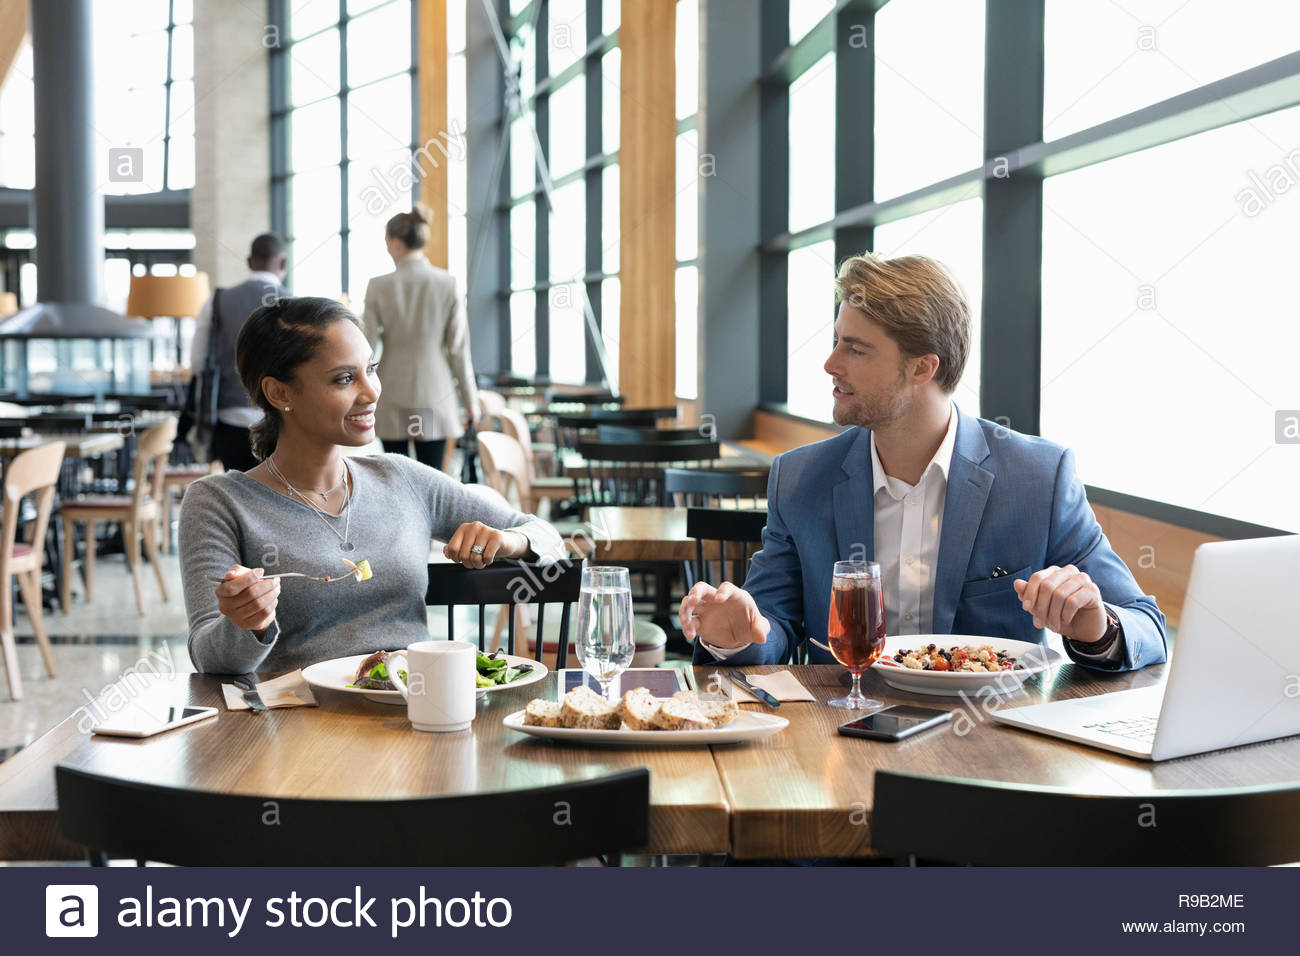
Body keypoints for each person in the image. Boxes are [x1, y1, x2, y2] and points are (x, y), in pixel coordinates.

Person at [681, 252, 1166, 672]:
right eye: (836, 341)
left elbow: (1148, 628)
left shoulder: (1038, 477)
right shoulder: (800, 478)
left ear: (922, 367)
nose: (831, 363)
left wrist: (1097, 626)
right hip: (843, 740)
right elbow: (772, 625)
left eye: (856, 348)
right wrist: (735, 636)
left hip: (991, 747)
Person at [179, 296, 565, 675]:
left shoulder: (402, 478)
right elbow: (210, 659)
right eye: (345, 378)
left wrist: (510, 542)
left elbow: (551, 538)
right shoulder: (218, 502)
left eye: (371, 369)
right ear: (279, 393)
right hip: (294, 728)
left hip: (412, 715)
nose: (372, 392)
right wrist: (249, 624)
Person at [361, 203, 479, 471]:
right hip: (434, 393)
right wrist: (471, 401)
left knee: (395, 476)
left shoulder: (378, 285)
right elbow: (458, 349)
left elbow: (364, 346)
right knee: (432, 477)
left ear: (394, 241)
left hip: (392, 391)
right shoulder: (447, 283)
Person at [188, 233, 291, 472]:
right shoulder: (293, 304)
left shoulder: (217, 300)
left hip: (228, 416)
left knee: (237, 492)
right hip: (278, 418)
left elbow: (198, 362)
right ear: (283, 263)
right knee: (277, 492)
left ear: (249, 261)